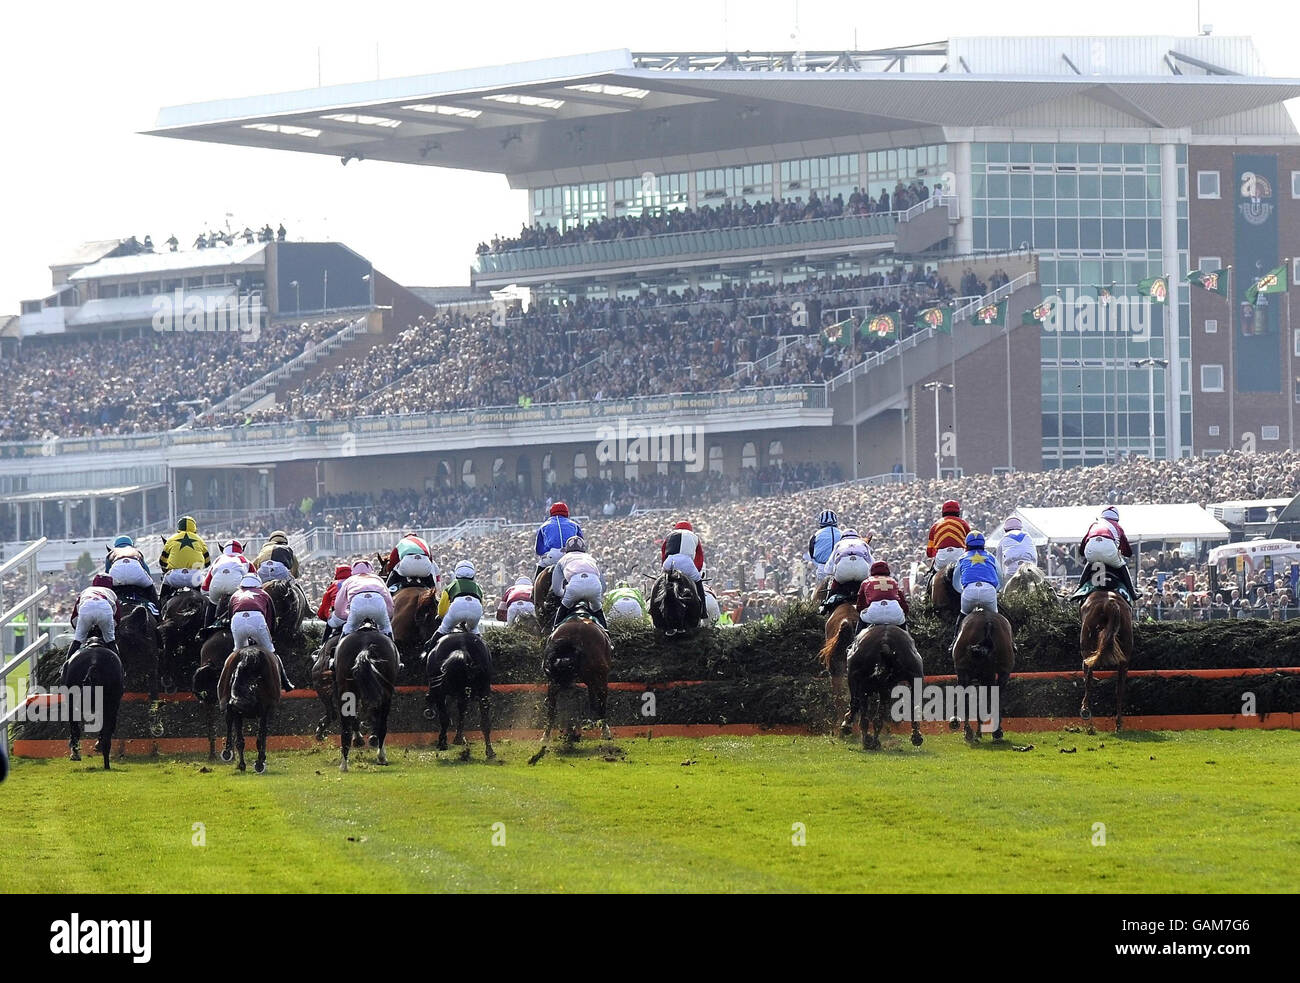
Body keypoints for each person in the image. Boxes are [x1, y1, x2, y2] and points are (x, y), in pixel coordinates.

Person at [228, 572, 293, 692]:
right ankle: (285, 682)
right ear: (258, 584)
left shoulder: (235, 595)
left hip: (237, 622)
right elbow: (270, 619)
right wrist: (269, 636)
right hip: (257, 620)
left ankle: (226, 685)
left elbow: (230, 617)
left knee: (236, 654)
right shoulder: (264, 594)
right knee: (271, 652)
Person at [1076, 505, 1136, 601]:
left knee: (1089, 563)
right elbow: (1127, 550)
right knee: (1122, 565)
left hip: (1091, 549)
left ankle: (1078, 589)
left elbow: (1083, 544)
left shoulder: (1094, 524)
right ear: (1116, 518)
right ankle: (1133, 593)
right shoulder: (1117, 526)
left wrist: (1084, 554)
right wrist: (1126, 553)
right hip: (1109, 551)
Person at [552, 536, 609, 631]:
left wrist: (564, 595)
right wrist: (595, 598)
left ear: (567, 550)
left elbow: (556, 590)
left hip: (574, 588)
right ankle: (607, 633)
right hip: (594, 587)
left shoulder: (562, 560)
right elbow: (603, 586)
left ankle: (554, 630)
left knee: (563, 609)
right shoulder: (591, 559)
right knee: (598, 610)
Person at [954, 531, 1001, 644]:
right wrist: (994, 590)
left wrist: (962, 591)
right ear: (983, 544)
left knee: (962, 615)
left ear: (967, 545)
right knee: (997, 619)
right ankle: (1011, 643)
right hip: (989, 592)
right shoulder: (991, 557)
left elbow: (955, 582)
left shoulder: (962, 558)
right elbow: (1000, 578)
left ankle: (954, 640)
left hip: (969, 592)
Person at [65, 574, 120, 662]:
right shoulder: (111, 593)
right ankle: (119, 665)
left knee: (77, 641)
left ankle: (65, 665)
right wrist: (107, 631)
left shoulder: (86, 590)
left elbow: (74, 618)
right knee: (111, 641)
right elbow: (117, 619)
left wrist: (82, 631)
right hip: (104, 608)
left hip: (86, 607)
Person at [334, 559, 395, 639]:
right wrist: (389, 614)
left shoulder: (349, 580)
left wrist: (343, 615)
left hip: (357, 602)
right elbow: (388, 598)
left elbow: (339, 602)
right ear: (370, 569)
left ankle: (340, 644)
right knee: (386, 627)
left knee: (349, 628)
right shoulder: (377, 578)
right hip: (378, 601)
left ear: (353, 571)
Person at [158, 516, 210, 603]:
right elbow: (207, 562)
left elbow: (162, 562)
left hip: (175, 577)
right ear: (194, 527)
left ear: (179, 527)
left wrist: (169, 566)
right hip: (195, 578)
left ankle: (160, 606)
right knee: (207, 598)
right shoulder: (200, 540)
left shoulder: (171, 539)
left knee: (164, 589)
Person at [660, 520, 707, 613]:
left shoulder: (669, 535)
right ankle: (703, 610)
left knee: (660, 582)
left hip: (670, 561)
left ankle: (652, 606)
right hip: (687, 562)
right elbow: (699, 556)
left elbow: (663, 552)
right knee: (698, 582)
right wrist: (697, 570)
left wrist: (664, 567)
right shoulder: (694, 536)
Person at [821, 528, 873, 611]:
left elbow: (828, 568)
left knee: (833, 583)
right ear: (857, 536)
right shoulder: (863, 543)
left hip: (843, 572)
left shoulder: (839, 544)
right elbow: (872, 564)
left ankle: (825, 606)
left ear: (842, 537)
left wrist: (831, 572)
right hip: (862, 572)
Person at [436, 560, 485, 636]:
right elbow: (481, 605)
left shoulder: (451, 585)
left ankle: (430, 644)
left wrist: (441, 615)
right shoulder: (478, 587)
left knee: (443, 629)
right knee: (474, 630)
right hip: (475, 610)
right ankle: (483, 643)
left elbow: (442, 609)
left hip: (457, 609)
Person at [857, 560, 909, 627]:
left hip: (874, 611)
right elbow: (902, 601)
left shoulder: (866, 581)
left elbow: (860, 602)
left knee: (861, 616)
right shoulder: (893, 581)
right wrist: (905, 612)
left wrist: (861, 611)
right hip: (894, 610)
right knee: (903, 625)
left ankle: (857, 633)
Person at [535, 502, 583, 572]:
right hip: (571, 557)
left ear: (551, 513)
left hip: (553, 557)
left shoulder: (543, 526)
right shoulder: (575, 525)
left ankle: (535, 579)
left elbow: (539, 550)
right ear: (567, 512)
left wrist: (548, 552)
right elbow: (581, 545)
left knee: (541, 565)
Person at [926, 500, 970, 572]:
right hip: (959, 557)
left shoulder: (935, 525)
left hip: (941, 559)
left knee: (930, 574)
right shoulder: (964, 524)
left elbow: (929, 552)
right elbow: (970, 545)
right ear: (958, 511)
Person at [996, 516, 1038, 583]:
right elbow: (1035, 556)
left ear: (1005, 530)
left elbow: (999, 563)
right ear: (1020, 528)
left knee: (1004, 588)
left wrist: (1001, 580)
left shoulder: (1003, 539)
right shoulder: (1028, 537)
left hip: (1012, 572)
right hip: (1030, 569)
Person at [317, 564, 351, 646]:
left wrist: (325, 617)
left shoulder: (334, 584)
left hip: (339, 615)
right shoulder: (357, 582)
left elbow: (324, 606)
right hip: (357, 614)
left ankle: (322, 647)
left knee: (329, 626)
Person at [806, 510, 843, 580]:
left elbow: (811, 554)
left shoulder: (816, 535)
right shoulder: (842, 534)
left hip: (823, 568)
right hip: (839, 568)